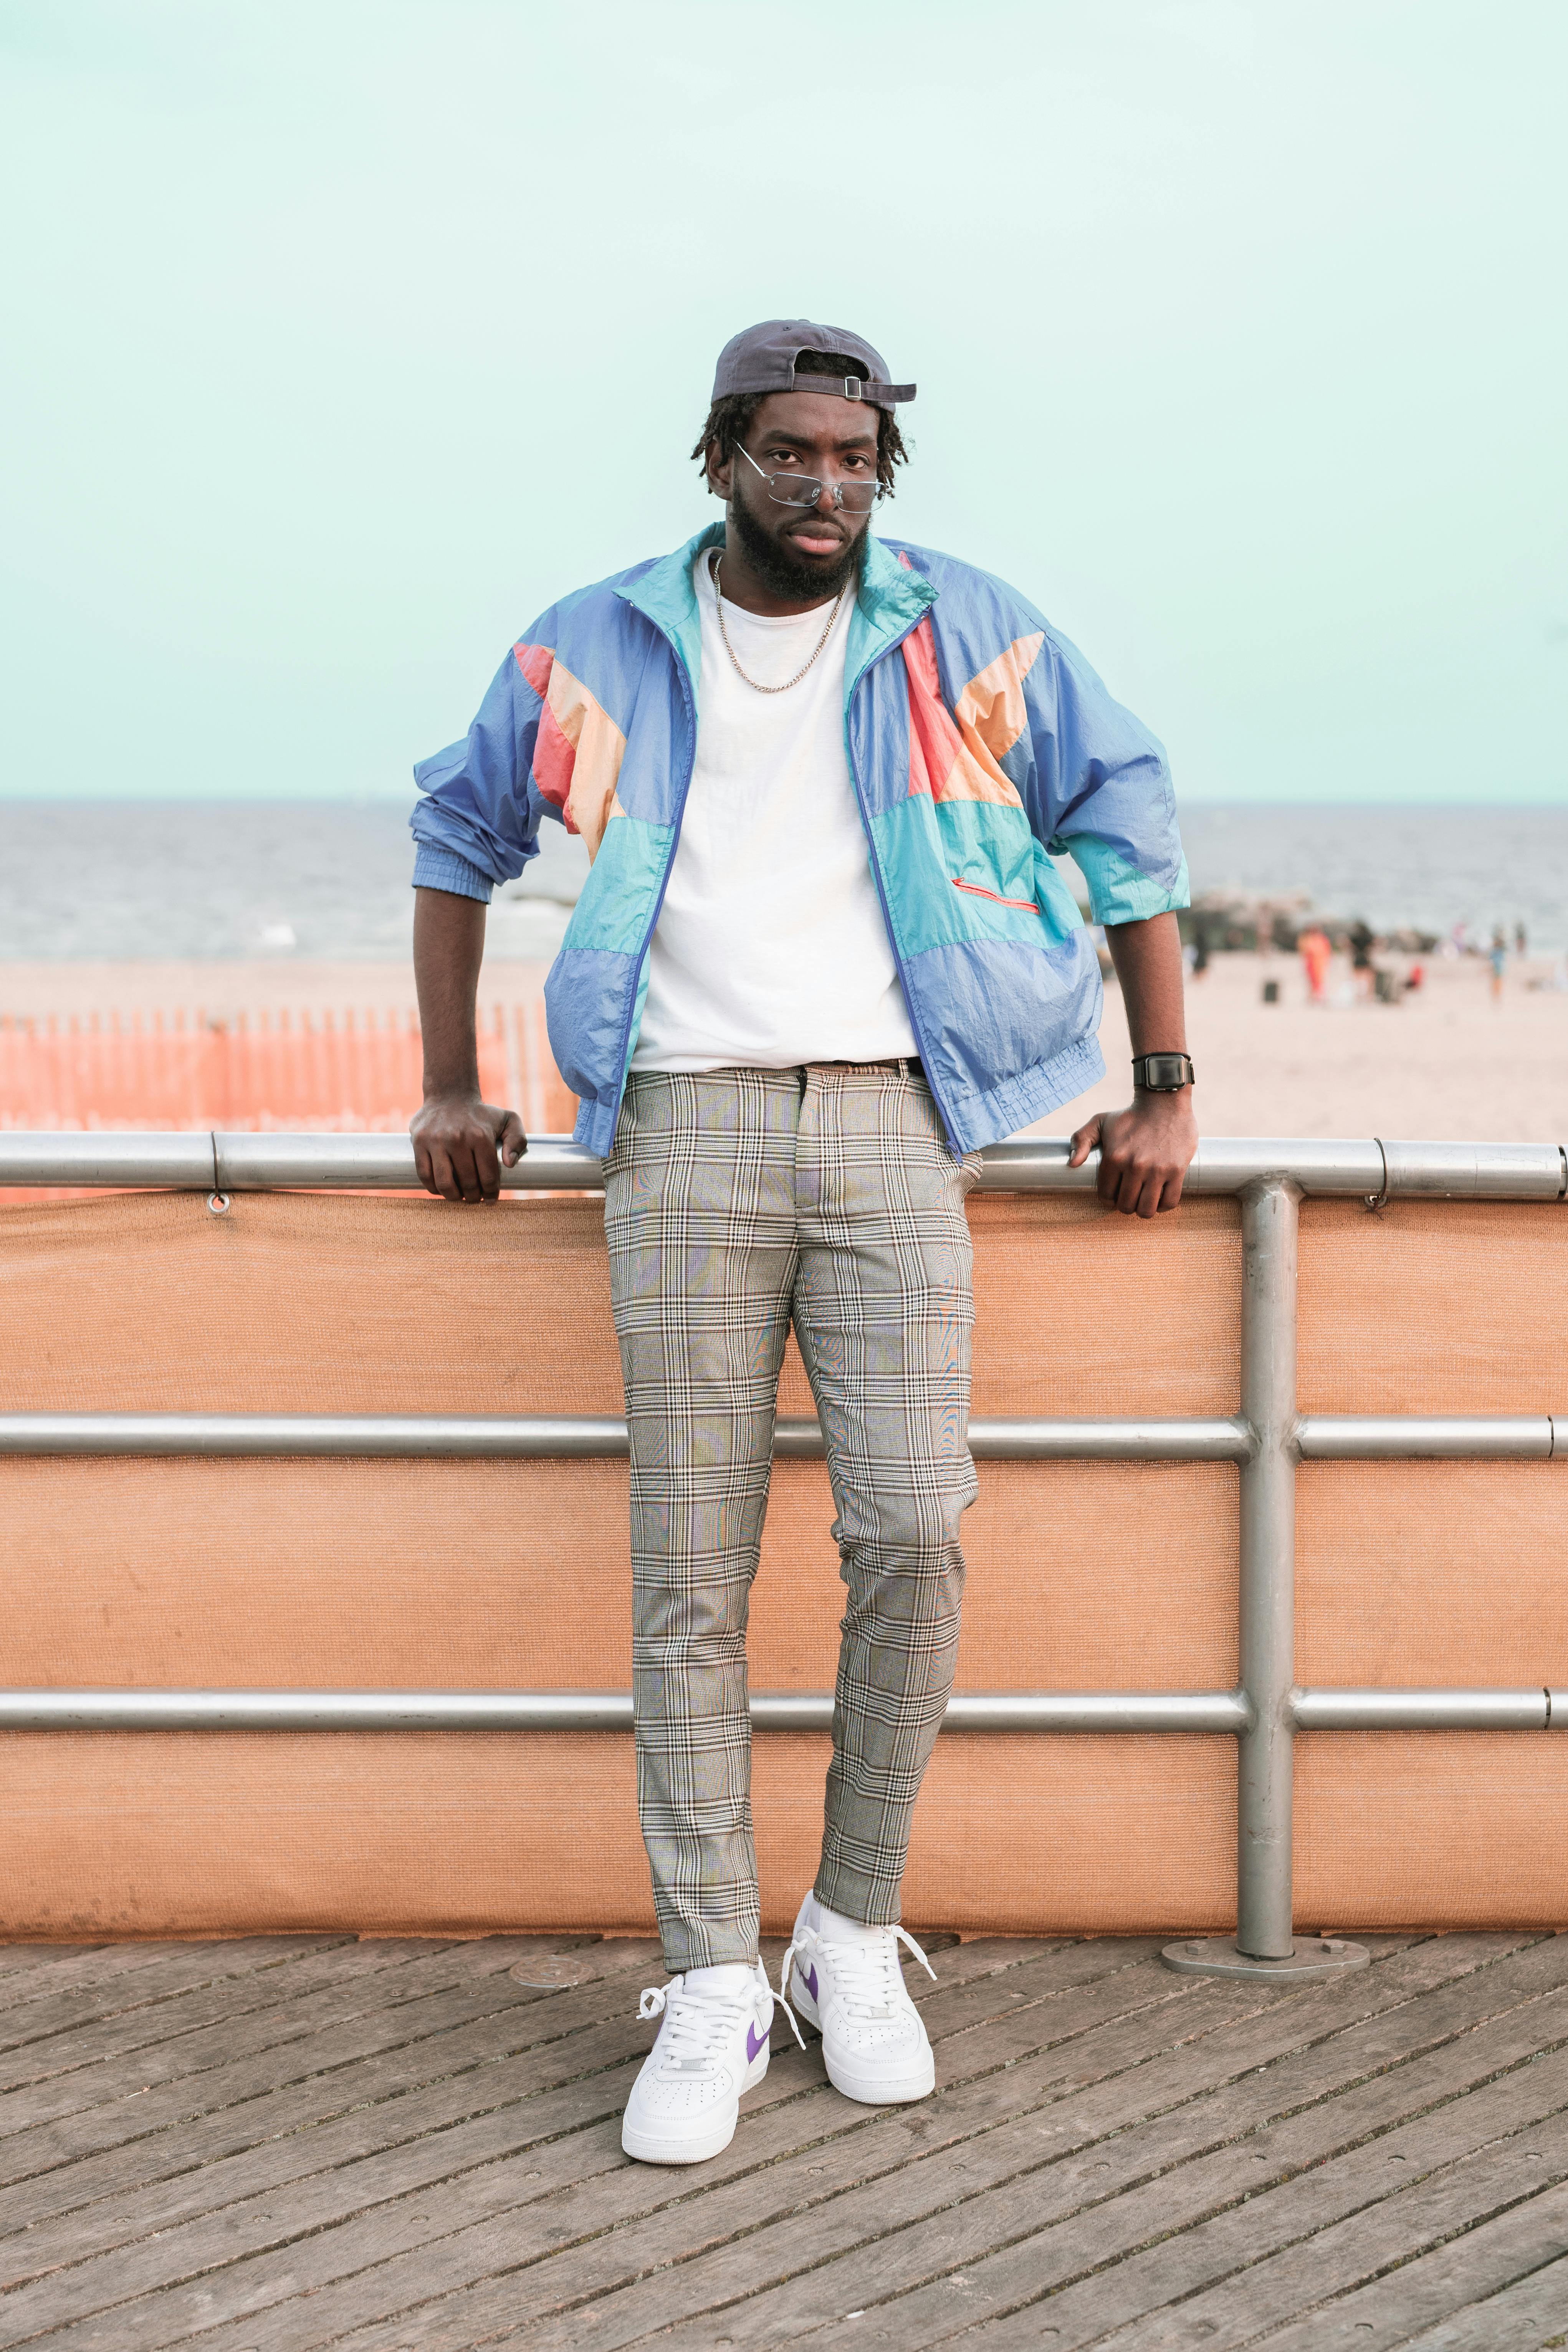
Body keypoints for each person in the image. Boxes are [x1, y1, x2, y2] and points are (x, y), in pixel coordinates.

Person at [405, 319, 1197, 2167]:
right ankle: (706, 1972)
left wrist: (1164, 1078)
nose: (824, 483)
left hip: (894, 1119)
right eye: (789, 452)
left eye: (852, 455)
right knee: (690, 1565)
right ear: (721, 459)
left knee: (914, 1525)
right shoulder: (600, 637)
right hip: (677, 1123)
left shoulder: (961, 626)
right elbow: (458, 825)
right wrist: (449, 1080)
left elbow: (1123, 815)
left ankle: (847, 1931)